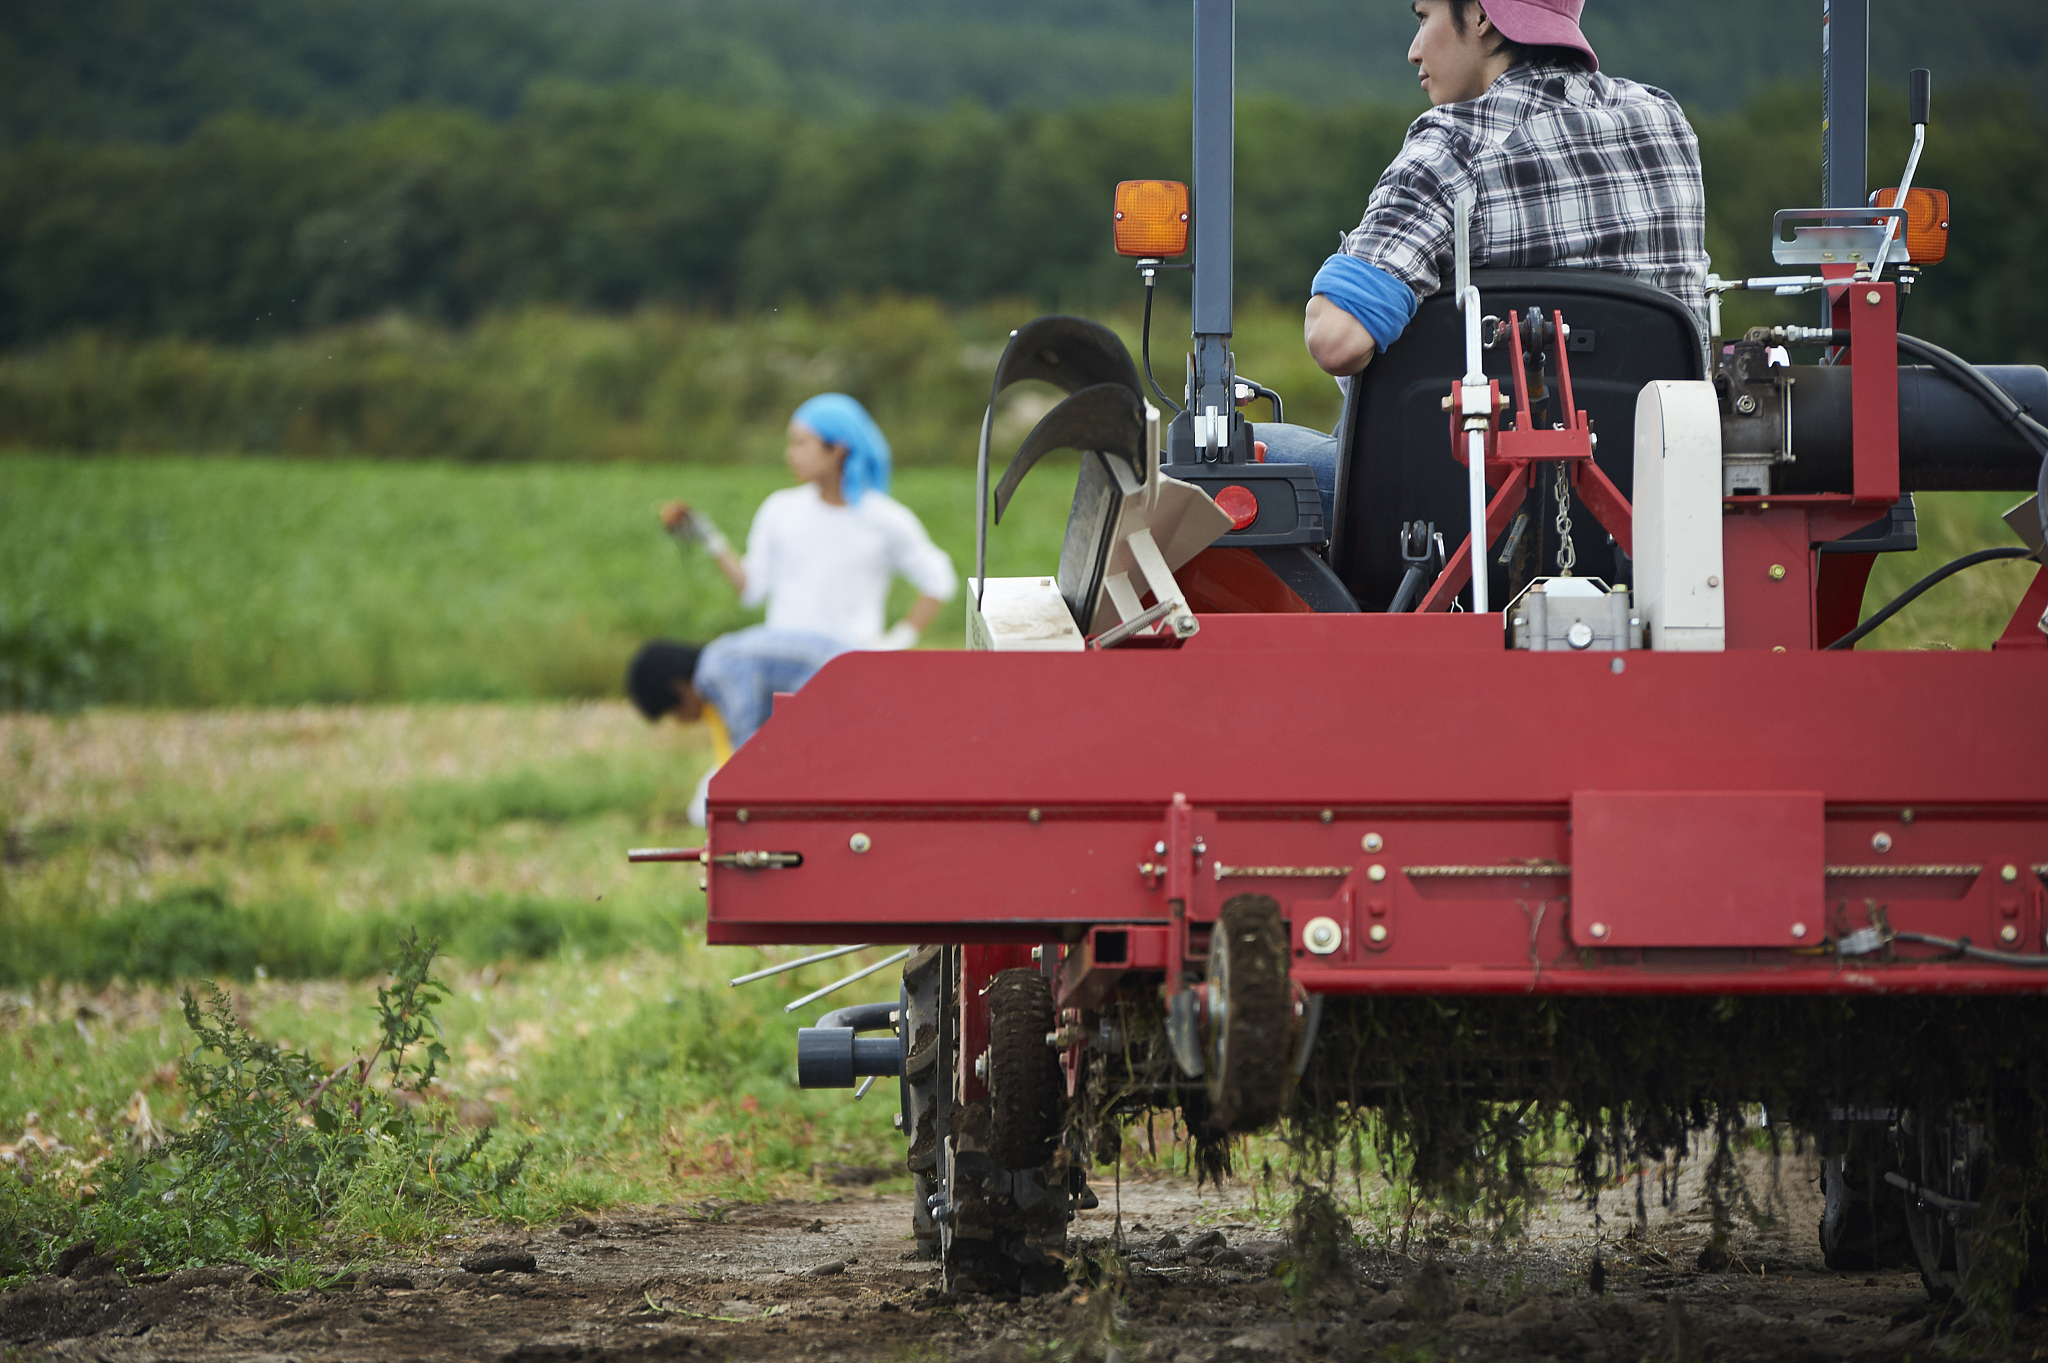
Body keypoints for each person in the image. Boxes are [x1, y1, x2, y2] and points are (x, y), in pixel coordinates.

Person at [1260, 0, 1709, 516]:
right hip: (1648, 508)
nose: (1413, 52)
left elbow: (1335, 339)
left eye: (1423, 16)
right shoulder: (1664, 126)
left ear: (1479, 15)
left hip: (1459, 512)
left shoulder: (1454, 145)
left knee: (1218, 462)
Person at [633, 393, 957, 824]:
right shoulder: (780, 510)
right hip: (779, 682)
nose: (791, 454)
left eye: (801, 442)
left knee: (824, 796)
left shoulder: (883, 518)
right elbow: (753, 589)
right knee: (736, 799)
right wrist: (709, 539)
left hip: (847, 677)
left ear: (837, 448)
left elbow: (939, 581)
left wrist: (895, 641)